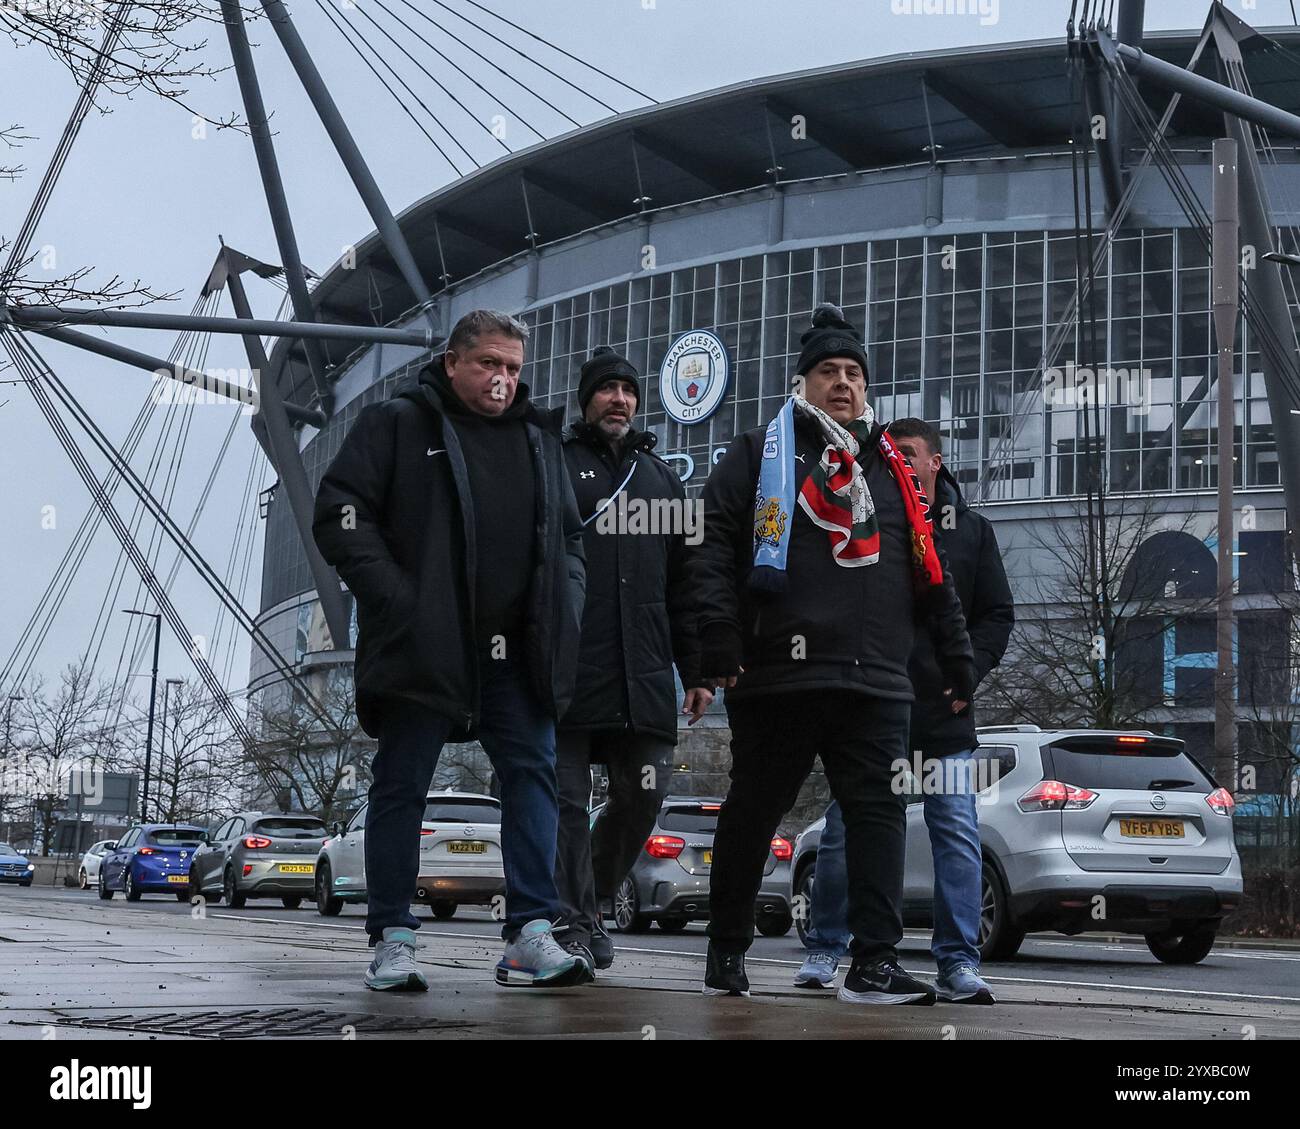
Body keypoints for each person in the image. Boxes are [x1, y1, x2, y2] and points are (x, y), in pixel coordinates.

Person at [690, 303, 975, 1004]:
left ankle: (874, 962)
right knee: (755, 810)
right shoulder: (759, 452)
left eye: (853, 372)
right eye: (828, 371)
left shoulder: (894, 469)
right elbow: (711, 547)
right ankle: (727, 947)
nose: (842, 383)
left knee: (880, 815)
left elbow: (928, 565)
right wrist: (716, 640)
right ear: (802, 382)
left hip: (875, 676)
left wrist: (956, 653)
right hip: (777, 674)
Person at [313, 309, 590, 991]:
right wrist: (398, 601)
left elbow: (570, 540)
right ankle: (394, 937)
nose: (502, 379)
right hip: (425, 647)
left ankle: (530, 931)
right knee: (402, 786)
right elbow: (340, 510)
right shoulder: (399, 423)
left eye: (513, 368)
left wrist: (567, 607)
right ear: (451, 363)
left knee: (533, 780)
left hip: (517, 654)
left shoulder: (538, 440)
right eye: (488, 364)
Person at [795, 417, 1014, 1004]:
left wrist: (969, 672)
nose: (898, 462)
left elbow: (997, 614)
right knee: (844, 834)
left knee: (958, 836)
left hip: (943, 714)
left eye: (909, 454)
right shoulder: (872, 519)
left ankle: (959, 962)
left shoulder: (970, 532)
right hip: (872, 710)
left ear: (935, 462)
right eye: (891, 454)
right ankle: (826, 946)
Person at [554, 346, 712, 974]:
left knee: (643, 796)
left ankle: (586, 904)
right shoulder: (555, 465)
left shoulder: (663, 481)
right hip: (568, 670)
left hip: (643, 672)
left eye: (628, 389)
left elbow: (688, 582)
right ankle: (568, 920)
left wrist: (696, 669)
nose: (619, 399)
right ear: (586, 399)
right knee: (564, 803)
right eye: (606, 389)